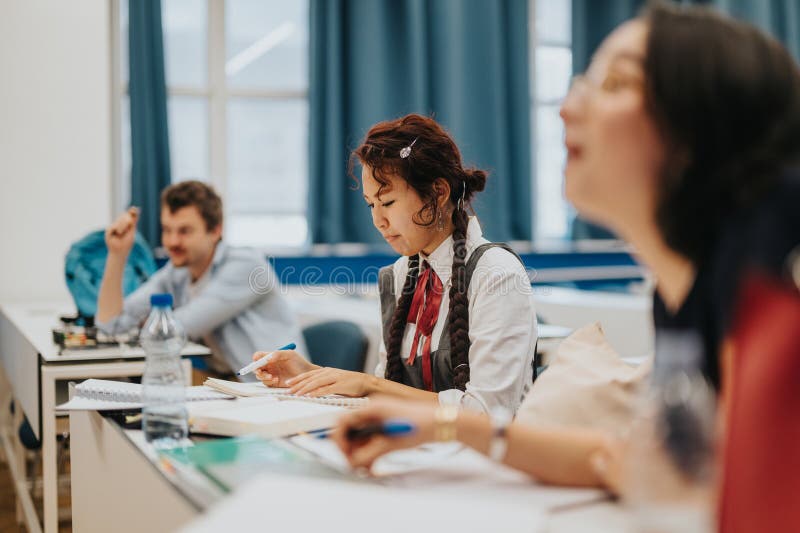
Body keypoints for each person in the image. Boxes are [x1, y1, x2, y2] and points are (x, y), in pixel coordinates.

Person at [331, 1, 800, 493]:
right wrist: (439, 425)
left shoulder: (775, 265)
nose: (567, 107)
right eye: (583, 84)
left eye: (616, 84)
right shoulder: (683, 292)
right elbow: (616, 459)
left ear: (706, 131)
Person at [253, 114, 537, 414]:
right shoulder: (400, 274)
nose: (378, 221)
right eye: (371, 205)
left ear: (438, 193)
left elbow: (488, 414)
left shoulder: (497, 274)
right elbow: (389, 395)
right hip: (414, 451)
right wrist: (308, 375)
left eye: (387, 202)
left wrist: (369, 385)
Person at [96, 180, 307, 379]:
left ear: (215, 231)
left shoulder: (246, 266)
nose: (172, 241)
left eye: (184, 231)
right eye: (167, 230)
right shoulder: (177, 272)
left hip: (271, 388)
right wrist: (117, 254)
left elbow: (180, 329)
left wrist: (149, 323)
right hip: (226, 382)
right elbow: (111, 325)